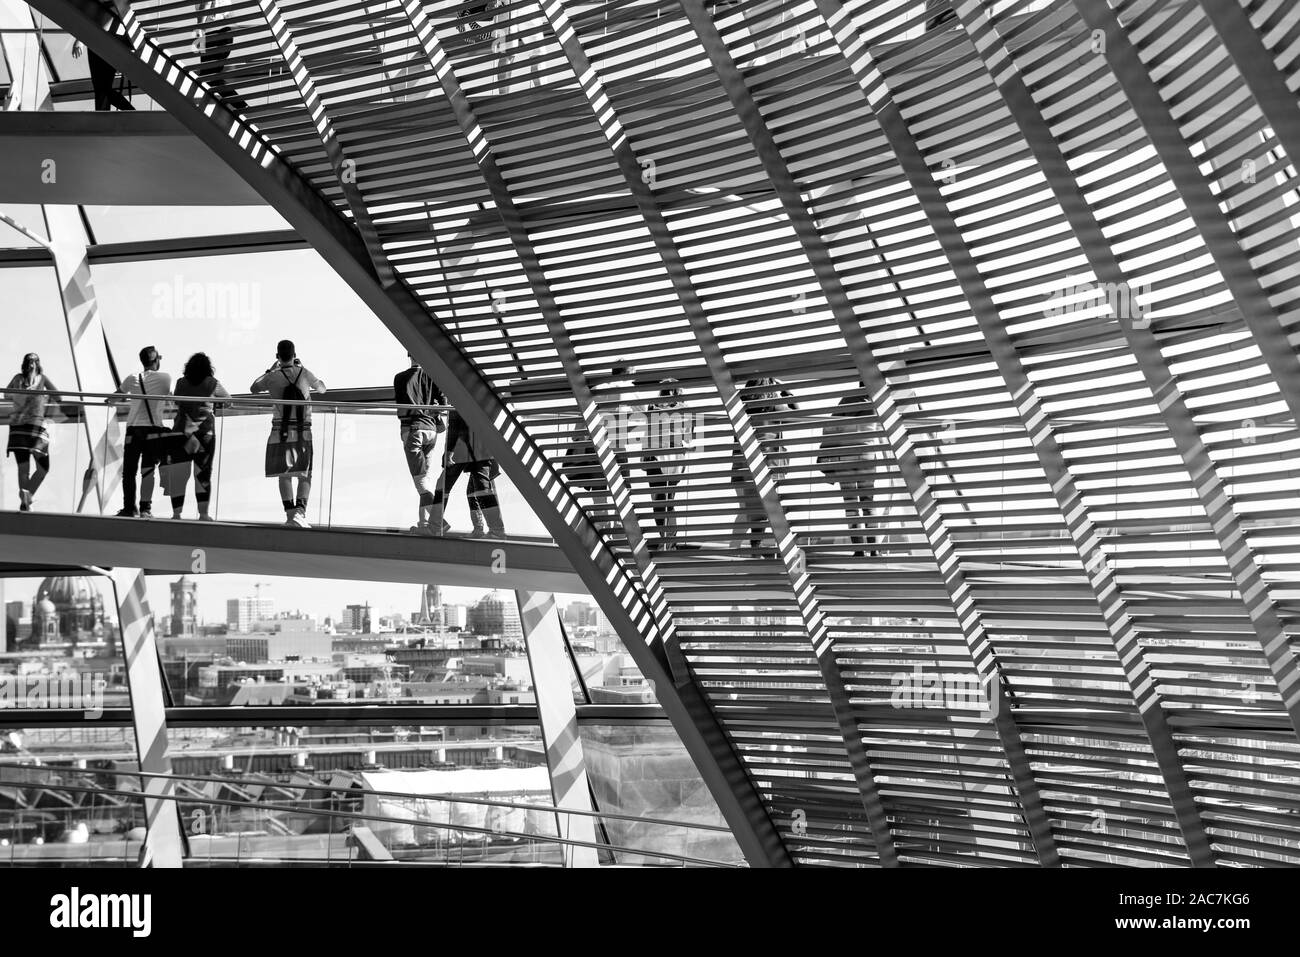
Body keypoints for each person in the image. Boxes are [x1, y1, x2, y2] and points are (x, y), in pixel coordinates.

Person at [251, 340, 324, 528]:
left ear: (277, 356)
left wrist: (270, 370)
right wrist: (303, 369)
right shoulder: (305, 373)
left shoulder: (273, 376)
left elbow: (254, 387)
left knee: (284, 474)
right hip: (303, 430)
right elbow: (323, 389)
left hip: (279, 430)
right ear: (294, 355)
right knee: (305, 473)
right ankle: (301, 512)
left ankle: (290, 515)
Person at [731, 376, 798, 553]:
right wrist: (784, 388)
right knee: (765, 510)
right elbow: (796, 412)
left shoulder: (741, 407)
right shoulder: (775, 405)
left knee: (750, 510)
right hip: (769, 463)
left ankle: (742, 548)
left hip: (744, 464)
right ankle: (752, 548)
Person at [161, 353, 229, 521]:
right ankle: (203, 514)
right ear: (208, 368)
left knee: (179, 473)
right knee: (203, 473)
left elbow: (177, 401)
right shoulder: (213, 384)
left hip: (181, 433)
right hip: (204, 433)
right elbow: (228, 400)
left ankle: (177, 514)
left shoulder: (180, 383)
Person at [817, 387, 877, 557]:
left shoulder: (846, 400)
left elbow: (831, 425)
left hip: (846, 456)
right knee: (868, 503)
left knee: (851, 504)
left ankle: (859, 550)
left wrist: (826, 455)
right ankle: (874, 550)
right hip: (868, 455)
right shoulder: (877, 400)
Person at [113, 345, 171, 518]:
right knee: (148, 470)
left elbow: (117, 396)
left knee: (129, 471)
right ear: (156, 360)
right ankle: (146, 509)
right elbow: (171, 396)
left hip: (133, 429)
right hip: (153, 429)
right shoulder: (165, 378)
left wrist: (107, 400)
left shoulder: (133, 378)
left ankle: (129, 508)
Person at [429, 407, 505, 539]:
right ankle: (494, 529)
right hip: (482, 447)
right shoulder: (482, 396)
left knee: (443, 485)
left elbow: (455, 425)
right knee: (479, 488)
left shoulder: (457, 393)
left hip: (462, 447)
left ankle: (435, 526)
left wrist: (449, 451)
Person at [394, 353, 447, 533]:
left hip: (413, 429)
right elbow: (443, 402)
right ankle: (424, 524)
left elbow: (402, 405)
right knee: (425, 478)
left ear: (409, 356)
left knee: (420, 480)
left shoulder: (400, 378)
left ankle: (438, 520)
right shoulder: (433, 376)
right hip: (431, 431)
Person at [4, 354, 61, 512]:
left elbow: (5, 394)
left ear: (24, 364)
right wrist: (43, 397)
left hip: (17, 429)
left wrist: (20, 396)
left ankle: (25, 500)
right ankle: (26, 498)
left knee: (23, 469)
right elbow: (59, 397)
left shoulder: (17, 379)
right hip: (35, 428)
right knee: (43, 468)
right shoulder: (42, 379)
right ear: (38, 364)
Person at [643, 379, 689, 547]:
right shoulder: (684, 408)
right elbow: (688, 436)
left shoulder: (654, 406)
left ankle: (668, 540)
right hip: (672, 456)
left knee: (661, 501)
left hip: (659, 455)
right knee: (667, 500)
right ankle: (669, 540)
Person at [196, 0, 245, 111]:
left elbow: (205, 5)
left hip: (212, 34)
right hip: (226, 35)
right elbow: (230, 16)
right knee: (211, 76)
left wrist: (199, 31)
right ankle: (238, 106)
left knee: (208, 76)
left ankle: (240, 106)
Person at [70, 42, 136, 111]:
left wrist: (79, 40)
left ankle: (131, 112)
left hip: (101, 44)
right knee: (102, 89)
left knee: (101, 89)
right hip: (101, 44)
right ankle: (131, 112)